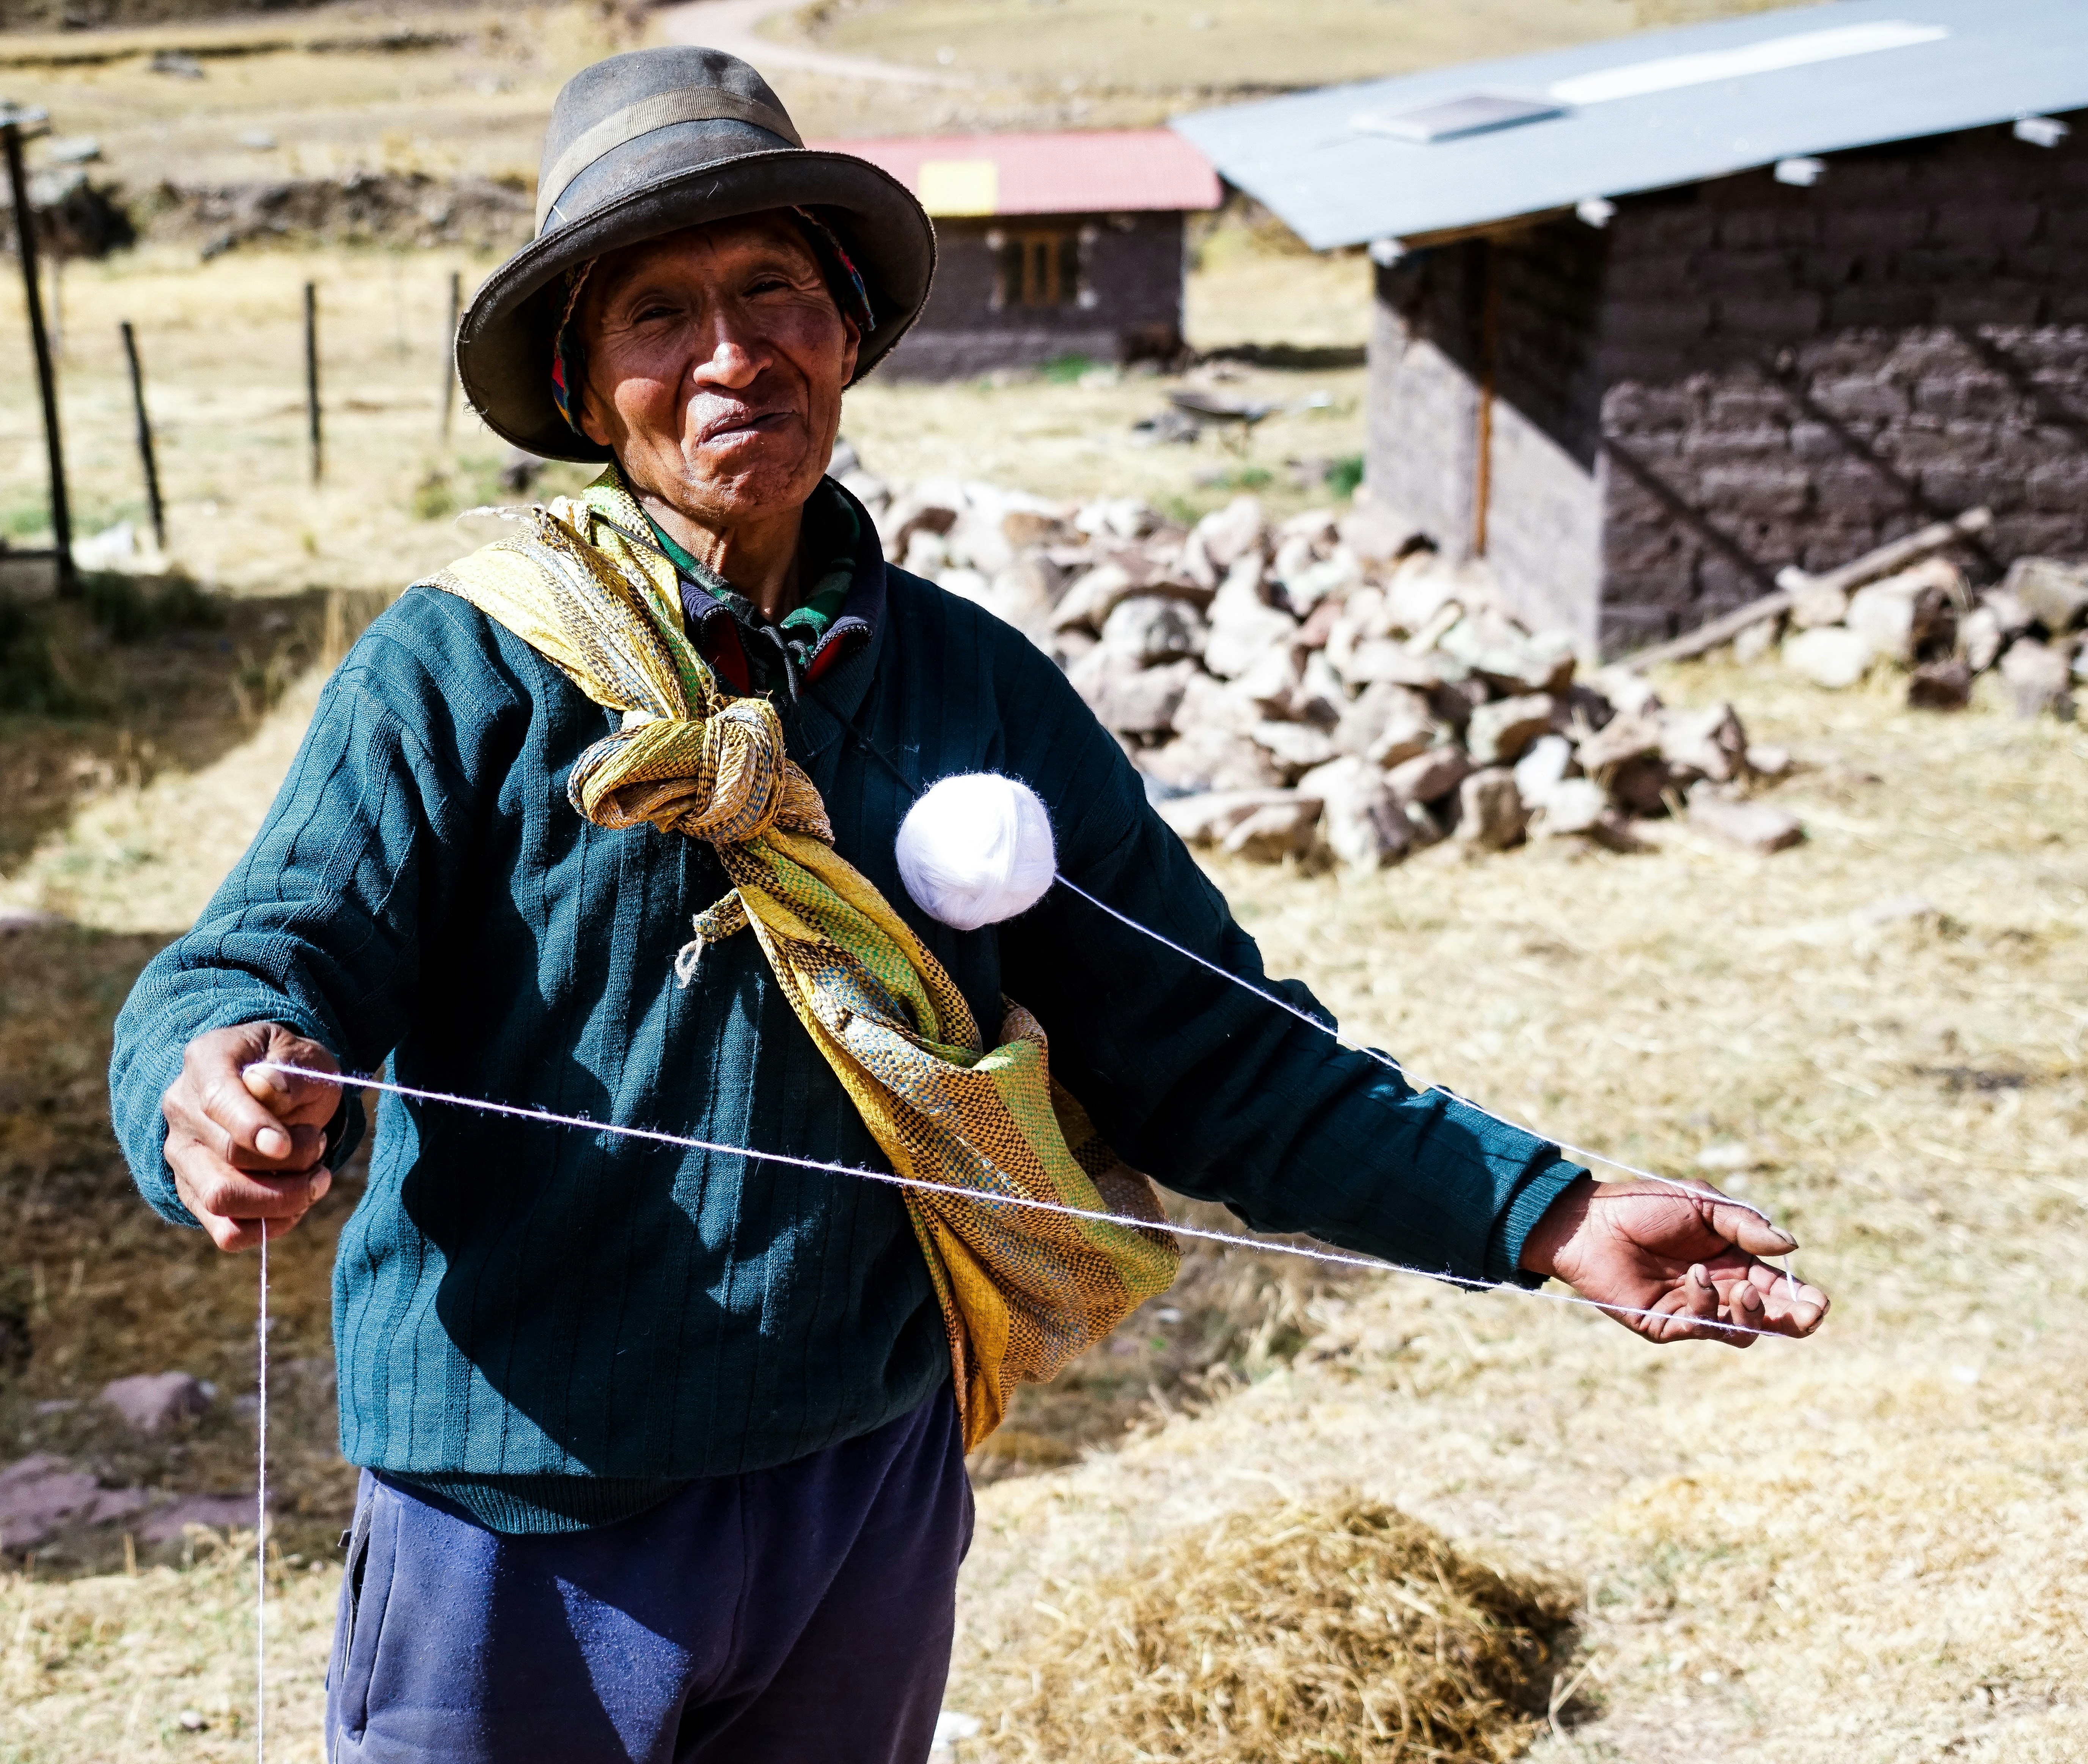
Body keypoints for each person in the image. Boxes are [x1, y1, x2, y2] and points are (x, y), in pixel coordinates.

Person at [108, 46, 1828, 1764]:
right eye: (657, 311)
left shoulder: (968, 688)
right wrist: (221, 1072)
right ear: (580, 384)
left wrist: (1542, 1209)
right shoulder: (467, 663)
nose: (730, 351)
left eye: (775, 285)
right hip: (521, 1507)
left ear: (846, 325)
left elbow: (1216, 1050)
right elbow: (270, 953)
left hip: (859, 1491)